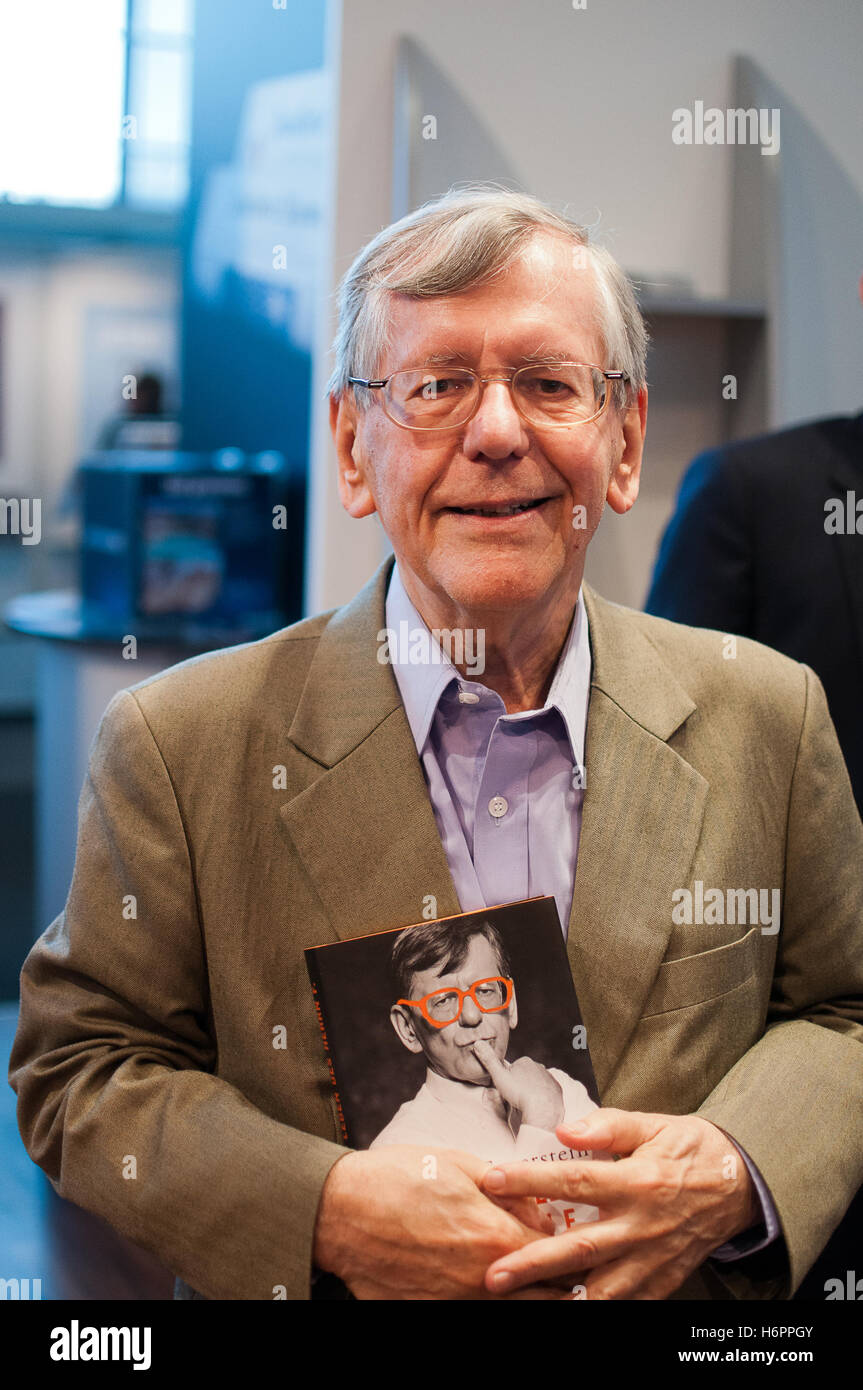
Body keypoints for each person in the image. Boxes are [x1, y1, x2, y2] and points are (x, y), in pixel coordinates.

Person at [9, 185, 863, 1303]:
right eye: (436, 386)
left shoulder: (769, 714)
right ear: (352, 450)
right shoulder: (181, 746)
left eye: (548, 384)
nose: (496, 431)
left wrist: (737, 1164)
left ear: (623, 440)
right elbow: (80, 1069)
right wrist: (319, 1206)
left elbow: (843, 1011)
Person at [372, 916, 597, 1159]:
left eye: (486, 990)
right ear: (408, 1029)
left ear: (510, 1005)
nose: (472, 1015)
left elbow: (621, 1194)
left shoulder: (563, 1087)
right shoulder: (399, 1148)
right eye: (444, 1000)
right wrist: (542, 1116)